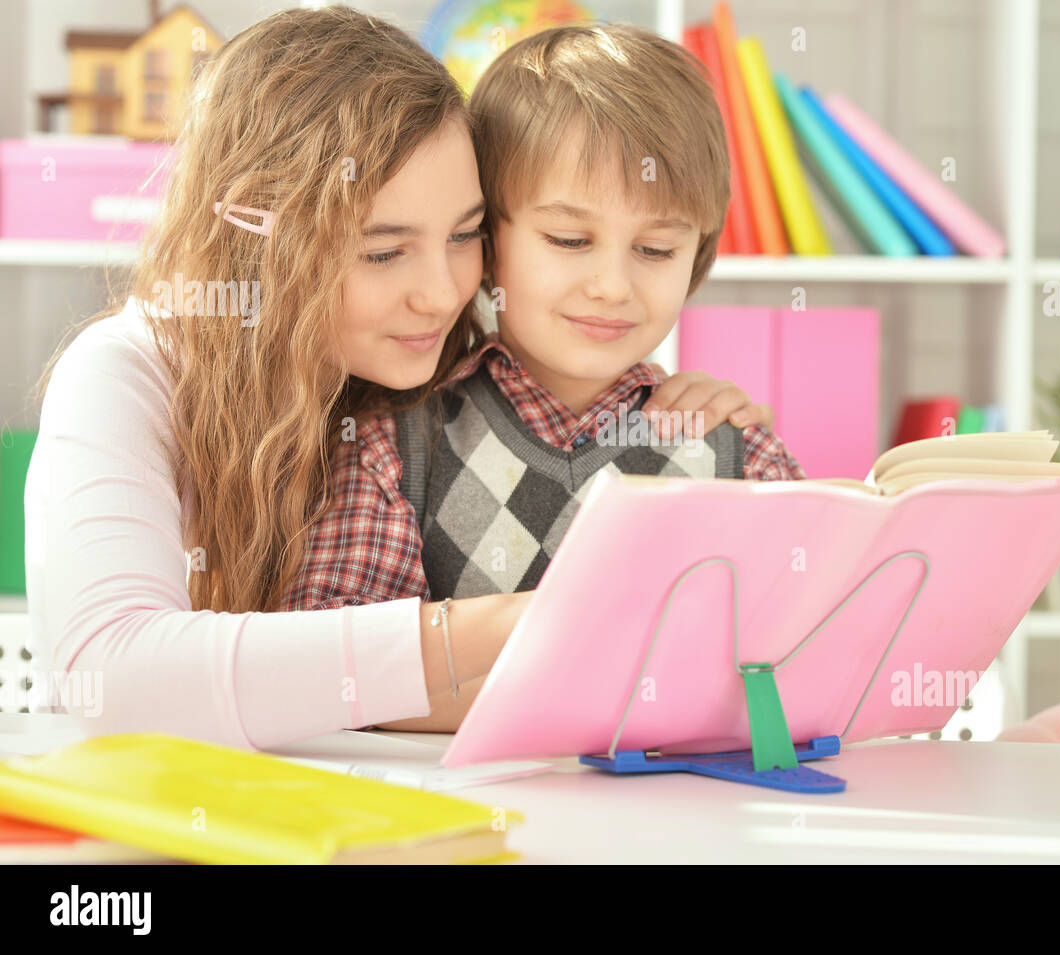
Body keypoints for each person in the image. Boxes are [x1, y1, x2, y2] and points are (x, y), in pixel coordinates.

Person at [23, 6, 771, 751]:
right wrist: (549, 613)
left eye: (464, 235)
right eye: (383, 252)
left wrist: (673, 412)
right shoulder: (121, 376)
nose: (443, 294)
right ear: (255, 241)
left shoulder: (422, 387)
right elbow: (115, 680)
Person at [282, 24, 805, 733]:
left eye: (655, 248)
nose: (612, 285)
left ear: (697, 257)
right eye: (569, 240)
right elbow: (331, 670)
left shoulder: (738, 454)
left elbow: (807, 667)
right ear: (488, 246)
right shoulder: (391, 449)